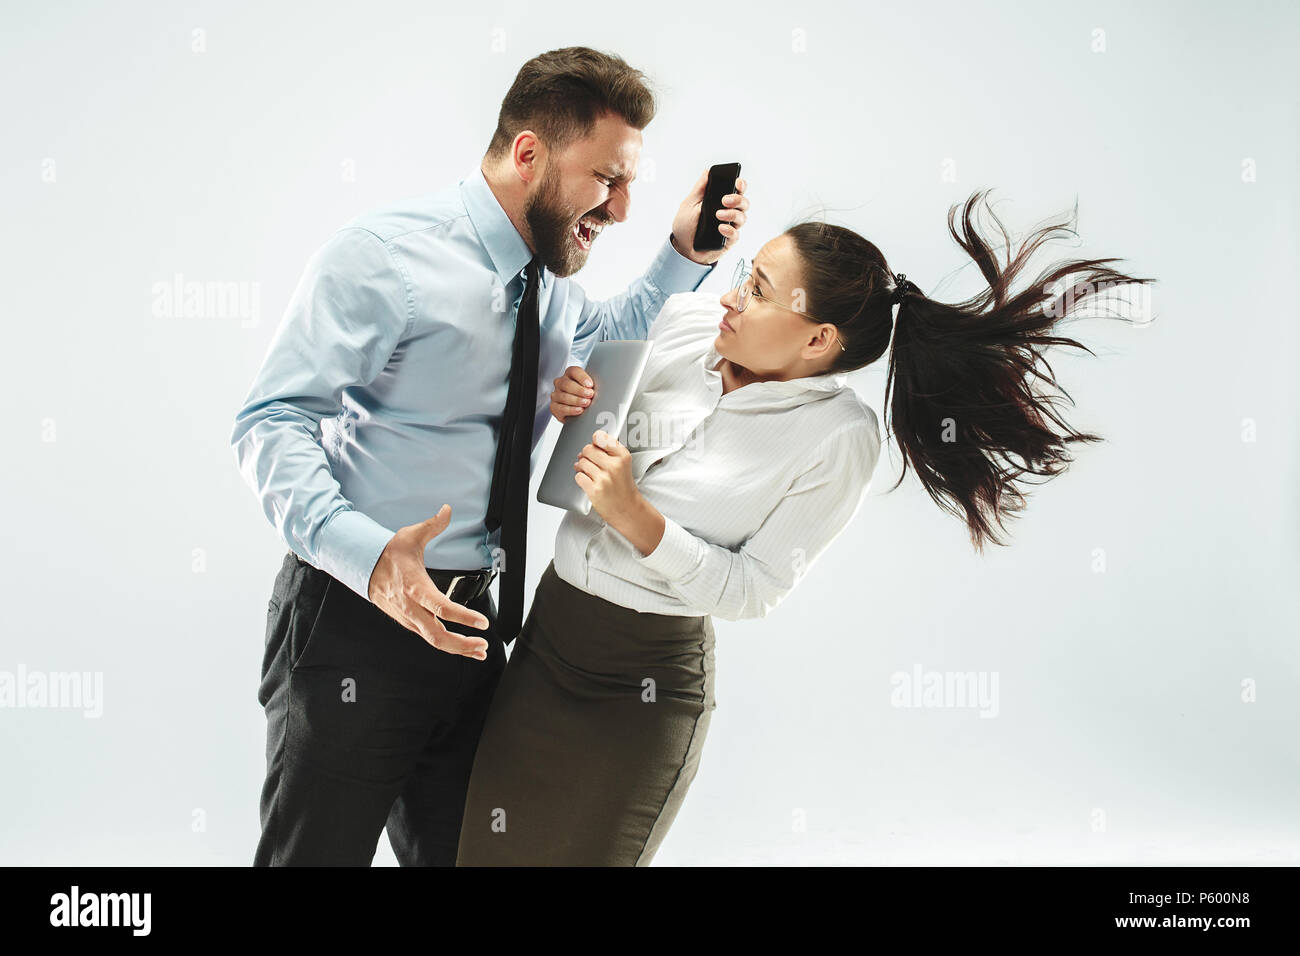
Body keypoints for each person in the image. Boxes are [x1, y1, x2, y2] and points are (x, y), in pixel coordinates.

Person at [455, 192, 1152, 865]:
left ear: (819, 337)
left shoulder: (838, 437)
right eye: (743, 275)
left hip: (643, 692)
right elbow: (580, 430)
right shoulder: (685, 325)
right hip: (546, 651)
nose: (731, 297)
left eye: (758, 290)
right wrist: (577, 396)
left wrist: (641, 520)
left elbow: (754, 589)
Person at [229, 46, 749, 866]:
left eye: (630, 186)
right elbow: (272, 420)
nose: (619, 209)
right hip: (354, 624)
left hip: (477, 631)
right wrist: (371, 561)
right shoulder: (385, 257)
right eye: (605, 180)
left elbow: (605, 344)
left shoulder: (548, 282)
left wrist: (682, 256)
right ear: (529, 153)